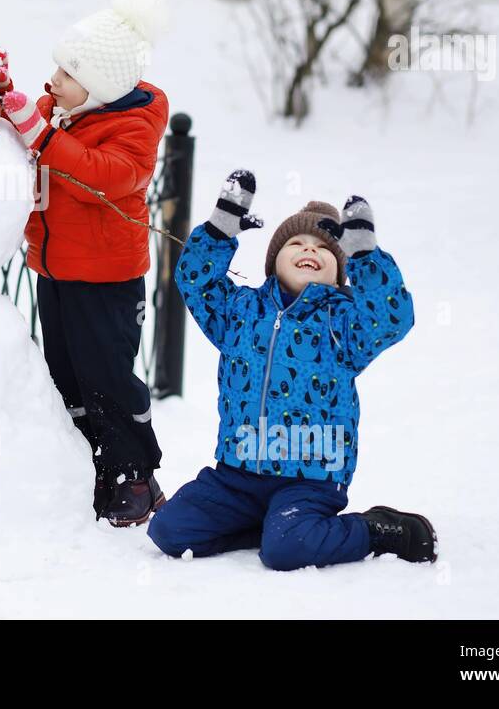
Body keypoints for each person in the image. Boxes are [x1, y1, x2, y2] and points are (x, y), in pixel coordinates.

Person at [146, 170, 437, 568]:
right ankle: (270, 528)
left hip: (311, 478)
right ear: (274, 261)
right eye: (297, 242)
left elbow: (392, 316)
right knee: (169, 530)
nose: (310, 250)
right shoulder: (240, 312)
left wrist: (365, 255)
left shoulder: (344, 323)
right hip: (237, 474)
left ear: (339, 268)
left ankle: (375, 529)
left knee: (287, 550)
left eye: (325, 248)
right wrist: (220, 228)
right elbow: (196, 282)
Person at [0, 0, 169, 526]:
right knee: (64, 372)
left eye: (66, 75)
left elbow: (103, 178)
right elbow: (23, 117)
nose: (53, 82)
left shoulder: (132, 128)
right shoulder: (63, 110)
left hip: (106, 279)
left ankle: (134, 475)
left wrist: (40, 134)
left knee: (106, 375)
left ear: (98, 86)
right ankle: (89, 468)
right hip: (57, 269)